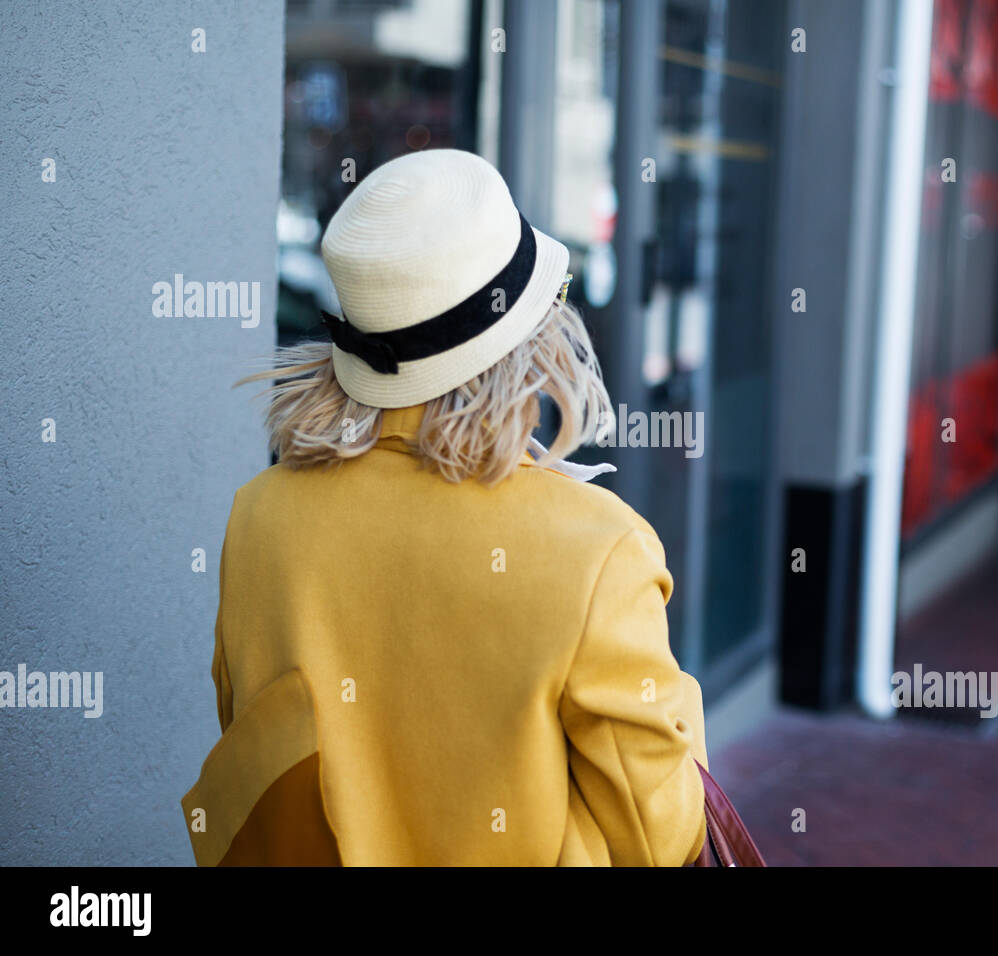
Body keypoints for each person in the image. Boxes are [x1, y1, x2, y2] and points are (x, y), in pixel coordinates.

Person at [181, 150, 709, 866]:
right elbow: (661, 837)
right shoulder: (597, 549)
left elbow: (250, 741)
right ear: (533, 342)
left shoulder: (261, 516)